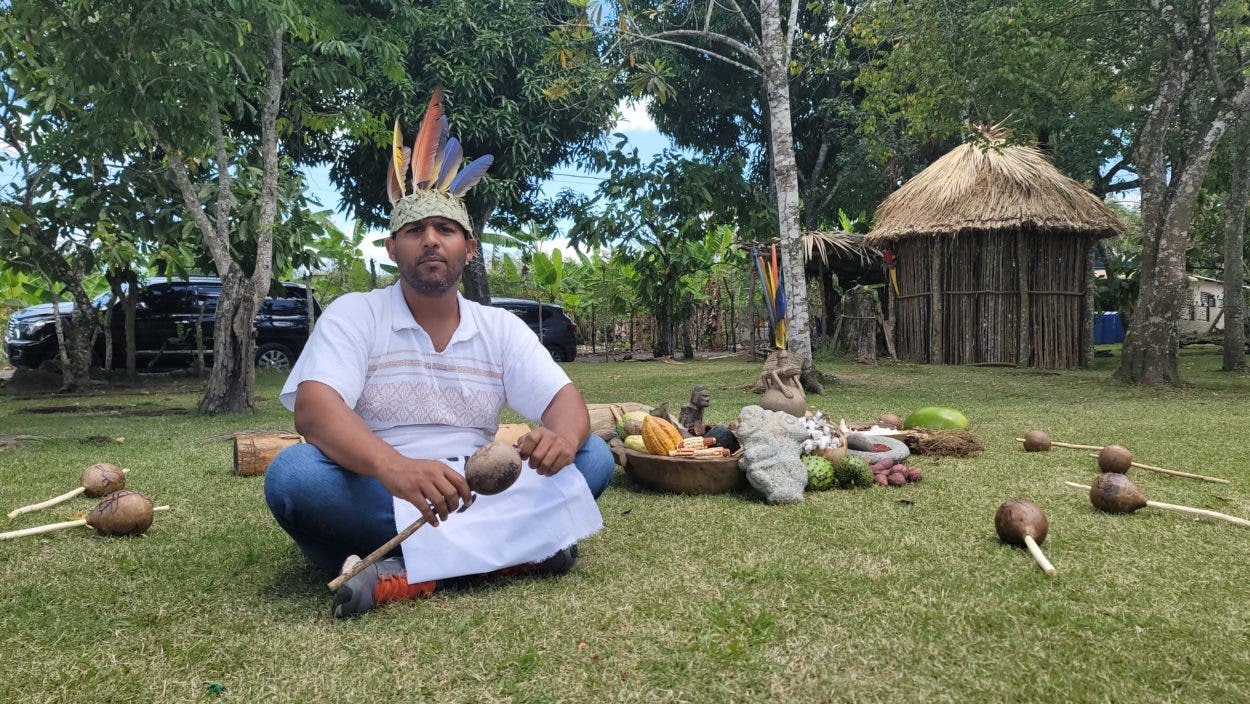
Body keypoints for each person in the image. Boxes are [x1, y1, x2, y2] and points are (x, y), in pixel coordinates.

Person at [264, 89, 614, 618]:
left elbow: (565, 400)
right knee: (295, 478)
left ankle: (396, 574)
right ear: (392, 248)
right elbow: (314, 410)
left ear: (468, 249)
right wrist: (396, 468)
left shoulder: (499, 327)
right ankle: (521, 554)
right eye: (414, 231)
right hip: (381, 486)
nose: (431, 240)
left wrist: (560, 440)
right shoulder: (355, 313)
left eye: (446, 230)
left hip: (477, 488)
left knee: (592, 457)